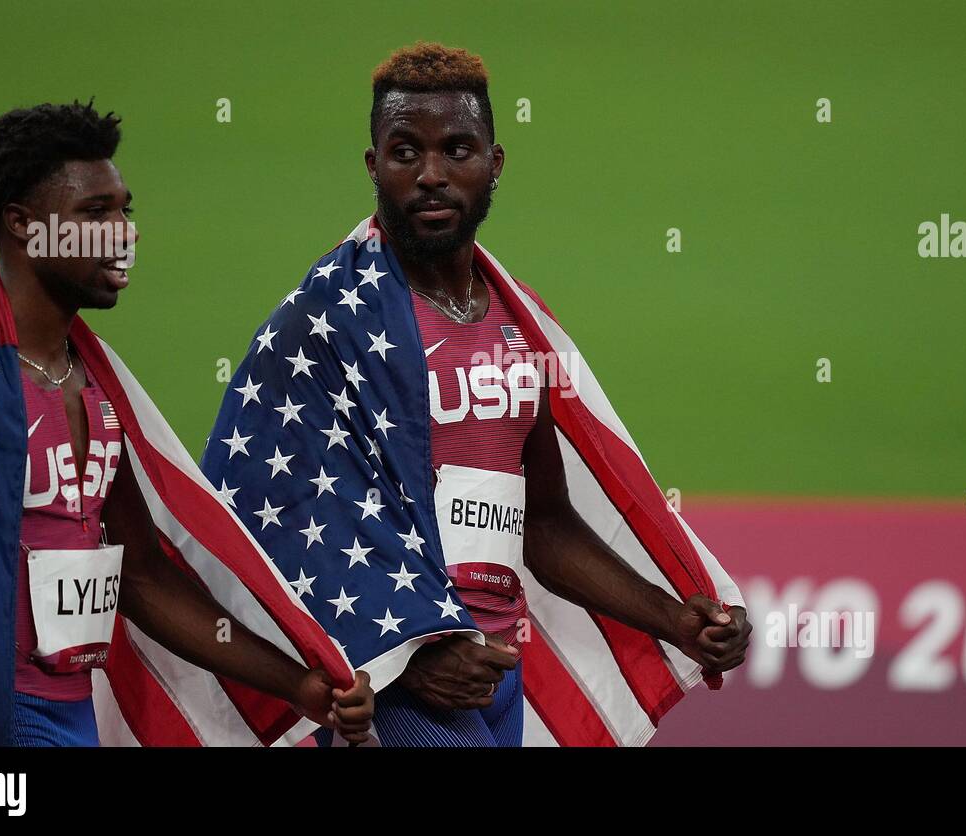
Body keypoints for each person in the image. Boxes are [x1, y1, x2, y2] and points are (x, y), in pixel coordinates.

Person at [203, 43, 750, 747]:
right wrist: (406, 654)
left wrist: (674, 618)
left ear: (493, 163)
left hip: (493, 673)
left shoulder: (518, 326)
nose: (431, 175)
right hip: (398, 685)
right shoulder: (327, 320)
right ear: (374, 166)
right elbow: (267, 510)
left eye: (456, 150)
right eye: (405, 153)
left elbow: (542, 524)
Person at [0, 102, 372, 747]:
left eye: (123, 211)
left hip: (74, 718)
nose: (123, 234)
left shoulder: (96, 386)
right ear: (24, 227)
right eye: (93, 214)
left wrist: (299, 684)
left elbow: (142, 577)